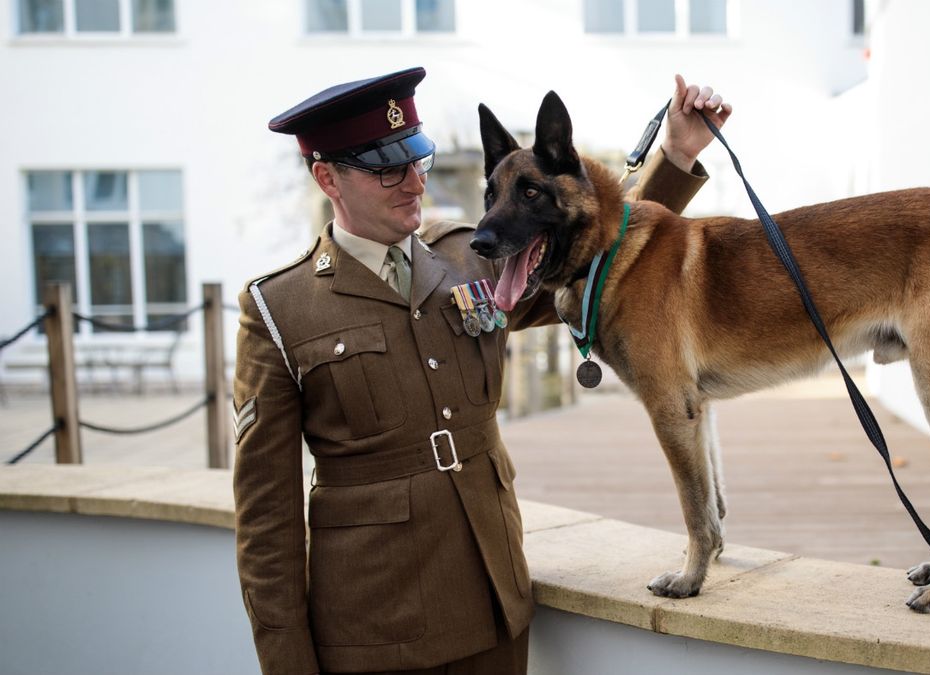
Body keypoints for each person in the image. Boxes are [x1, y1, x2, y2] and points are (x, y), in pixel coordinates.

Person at [232, 67, 732, 675]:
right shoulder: (280, 310)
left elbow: (598, 241)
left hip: (494, 604)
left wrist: (676, 155)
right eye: (387, 167)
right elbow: (267, 519)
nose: (414, 182)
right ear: (327, 177)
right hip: (372, 625)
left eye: (417, 157)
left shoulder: (478, 258)